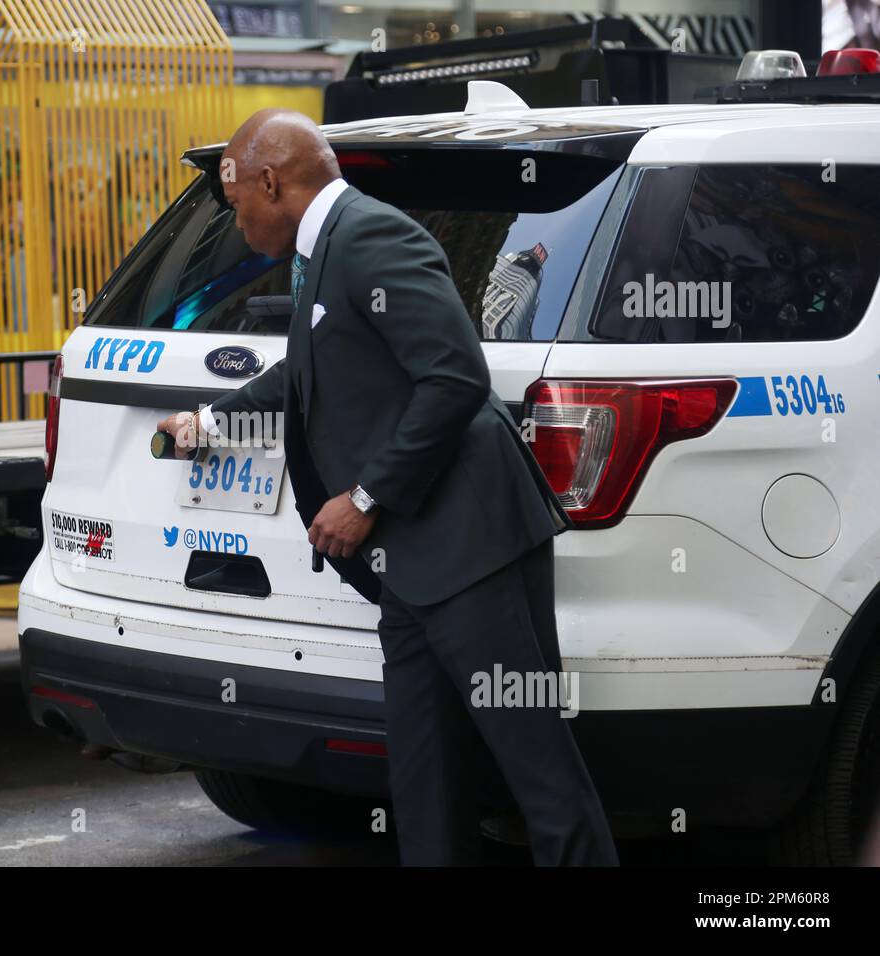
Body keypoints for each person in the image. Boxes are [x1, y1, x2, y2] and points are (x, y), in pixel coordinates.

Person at [158, 110, 618, 867]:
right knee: (424, 777)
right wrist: (211, 420)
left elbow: (455, 377)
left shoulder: (372, 236)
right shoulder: (319, 250)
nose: (237, 222)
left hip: (473, 550)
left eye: (238, 202)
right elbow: (310, 370)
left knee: (540, 773)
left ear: (271, 181)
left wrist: (367, 496)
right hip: (409, 566)